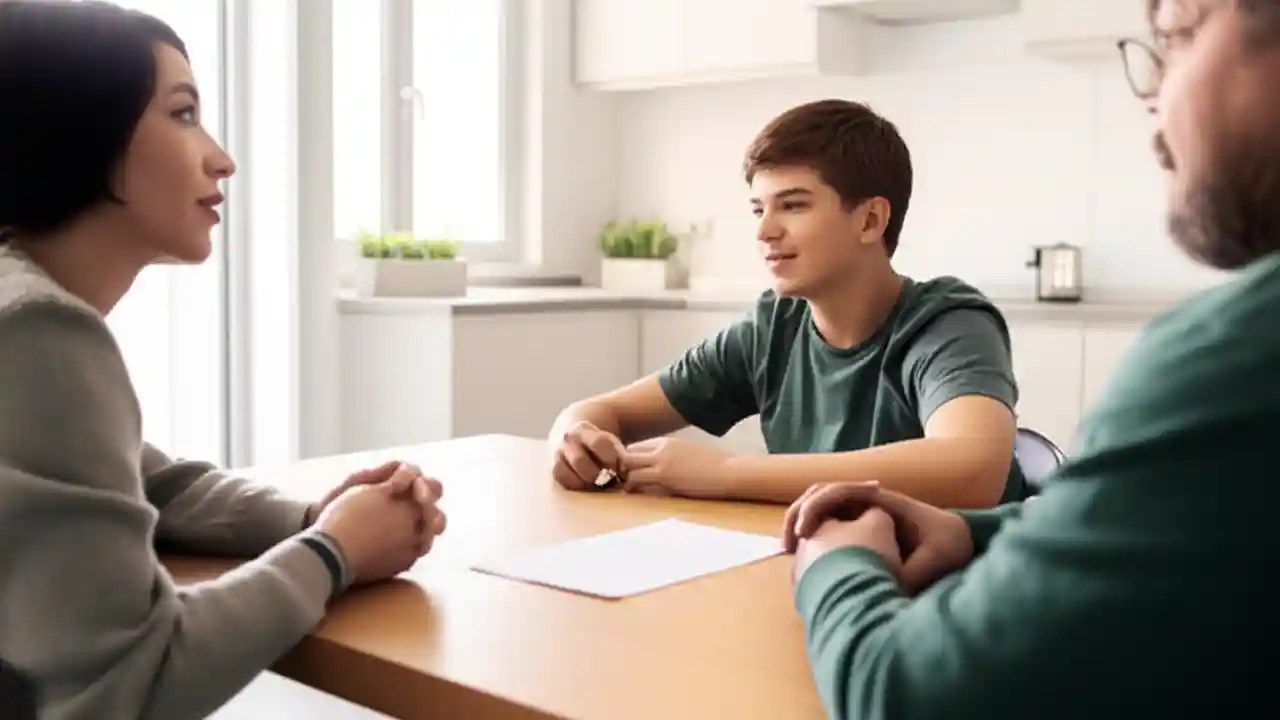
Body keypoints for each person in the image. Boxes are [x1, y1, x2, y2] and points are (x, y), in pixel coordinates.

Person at [781, 1, 1280, 717]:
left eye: (1173, 37)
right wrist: (970, 531)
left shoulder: (1236, 361)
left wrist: (838, 562)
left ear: (871, 219)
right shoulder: (773, 321)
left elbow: (909, 696)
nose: (1152, 93)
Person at [0, 3, 447, 718]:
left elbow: (158, 486)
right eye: (181, 115)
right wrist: (335, 551)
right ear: (82, 126)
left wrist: (313, 513)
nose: (222, 157)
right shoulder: (37, 332)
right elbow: (130, 684)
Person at [549, 99, 1027, 507]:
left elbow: (974, 468)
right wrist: (574, 438)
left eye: (793, 205)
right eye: (759, 209)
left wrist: (730, 473)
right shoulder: (772, 328)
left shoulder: (948, 323)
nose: (764, 231)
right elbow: (601, 412)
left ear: (870, 220)